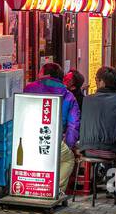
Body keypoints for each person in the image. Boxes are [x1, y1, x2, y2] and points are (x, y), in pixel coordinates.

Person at [24, 61, 81, 194]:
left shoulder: (29, 88)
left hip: (27, 139)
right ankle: (55, 190)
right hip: (54, 141)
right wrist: (69, 145)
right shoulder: (68, 95)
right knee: (68, 159)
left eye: (40, 72)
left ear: (45, 74)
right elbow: (73, 125)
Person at [78, 66, 116, 192]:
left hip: (87, 149)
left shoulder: (87, 99)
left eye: (97, 79)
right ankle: (114, 187)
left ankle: (105, 180)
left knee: (110, 143)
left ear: (102, 82)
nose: (96, 82)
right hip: (111, 150)